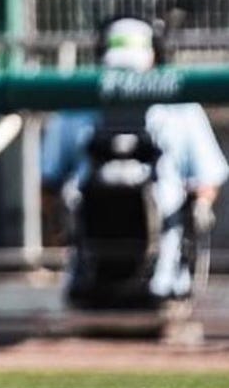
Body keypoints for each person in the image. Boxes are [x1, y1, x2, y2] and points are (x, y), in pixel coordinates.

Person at [42, 16, 229, 307]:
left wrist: (201, 206)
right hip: (89, 275)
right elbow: (49, 180)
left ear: (155, 57)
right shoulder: (77, 103)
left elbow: (208, 175)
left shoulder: (180, 107)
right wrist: (58, 223)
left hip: (162, 275)